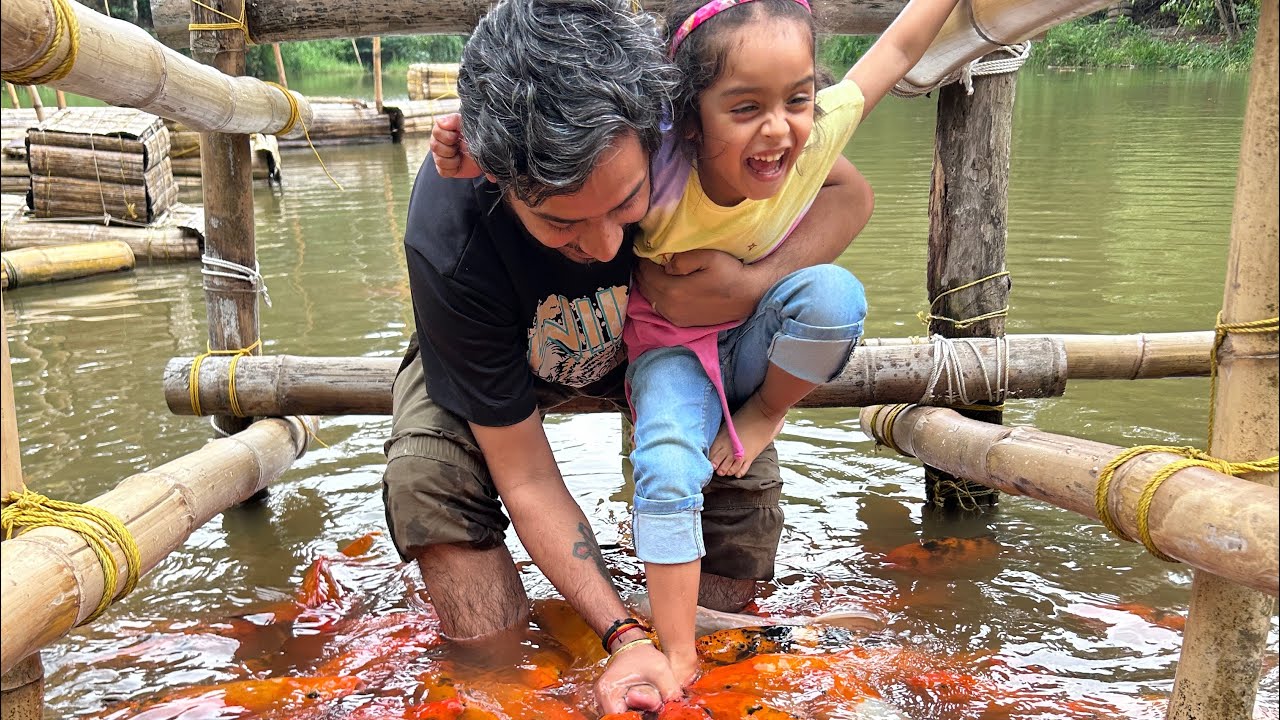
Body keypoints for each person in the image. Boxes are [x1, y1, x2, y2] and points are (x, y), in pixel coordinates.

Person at [436, 0, 961, 687]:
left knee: (836, 299)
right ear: (687, 118)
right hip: (664, 344)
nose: (776, 128)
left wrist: (748, 286)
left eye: (796, 99)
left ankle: (759, 430)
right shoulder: (660, 162)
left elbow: (894, 57)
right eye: (744, 107)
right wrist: (476, 147)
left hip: (746, 338)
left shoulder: (797, 134)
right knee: (662, 465)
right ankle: (675, 651)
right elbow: (527, 474)